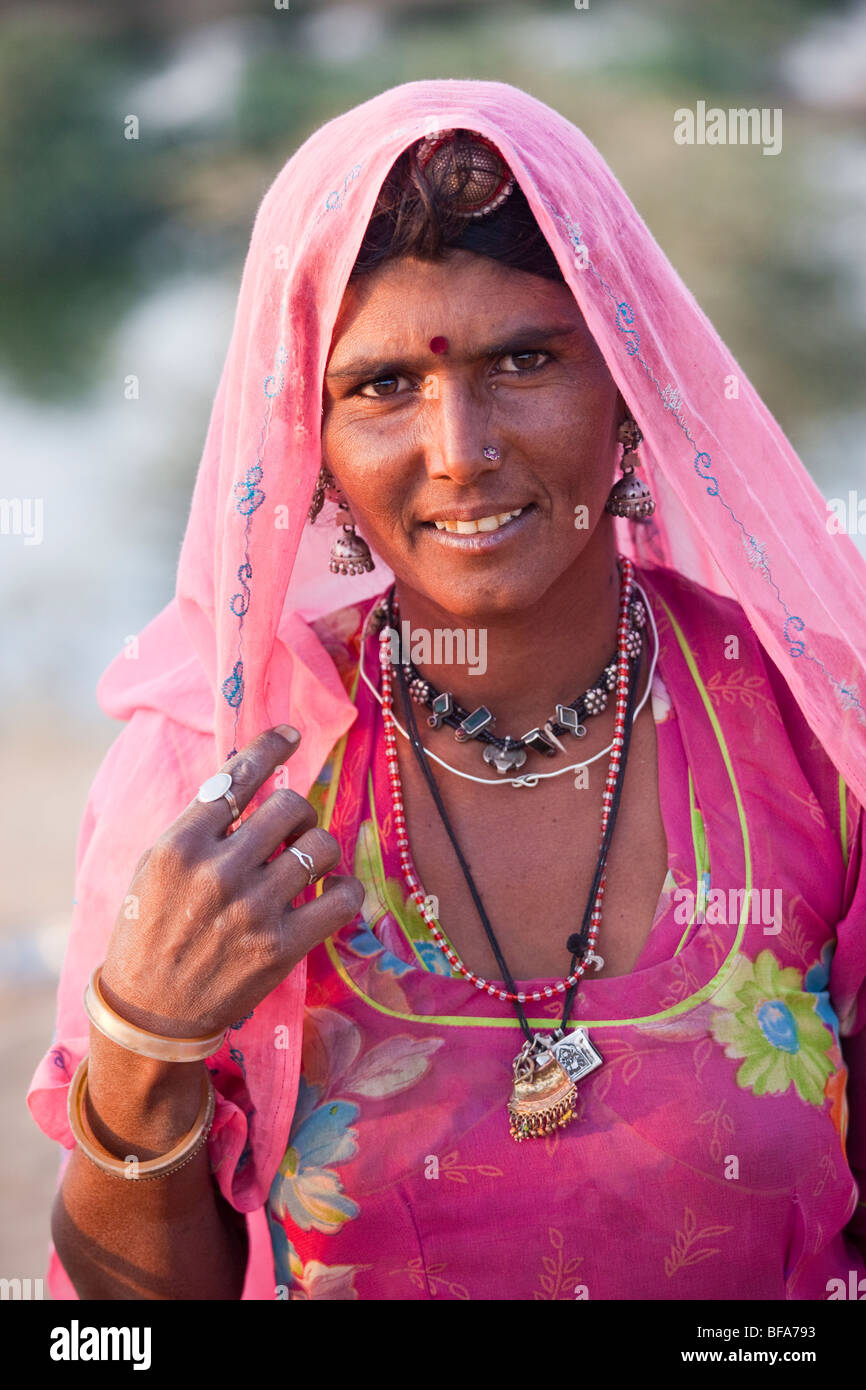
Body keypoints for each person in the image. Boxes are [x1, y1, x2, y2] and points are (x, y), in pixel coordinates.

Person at [28, 79, 866, 1301]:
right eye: (381, 386)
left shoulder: (812, 729)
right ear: (306, 443)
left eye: (524, 358)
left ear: (628, 389)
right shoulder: (216, 775)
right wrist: (146, 1040)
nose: (459, 448)